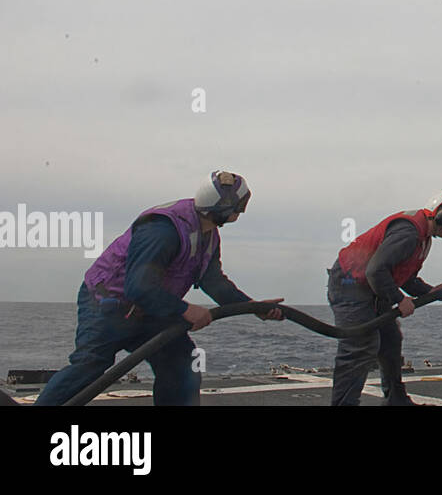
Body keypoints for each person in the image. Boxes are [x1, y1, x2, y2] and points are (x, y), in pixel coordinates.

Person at [37, 170, 283, 406]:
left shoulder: (207, 236)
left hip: (154, 310)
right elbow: (138, 287)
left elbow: (214, 283)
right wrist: (185, 309)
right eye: (239, 206)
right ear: (227, 208)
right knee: (89, 367)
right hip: (108, 306)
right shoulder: (163, 230)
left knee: (181, 363)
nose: (240, 212)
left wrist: (254, 307)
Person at [327, 191, 442, 406]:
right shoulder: (409, 233)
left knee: (390, 340)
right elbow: (375, 271)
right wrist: (400, 300)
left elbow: (404, 276)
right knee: (359, 347)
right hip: (350, 286)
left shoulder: (422, 239)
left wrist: (428, 292)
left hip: (371, 290)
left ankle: (396, 400)